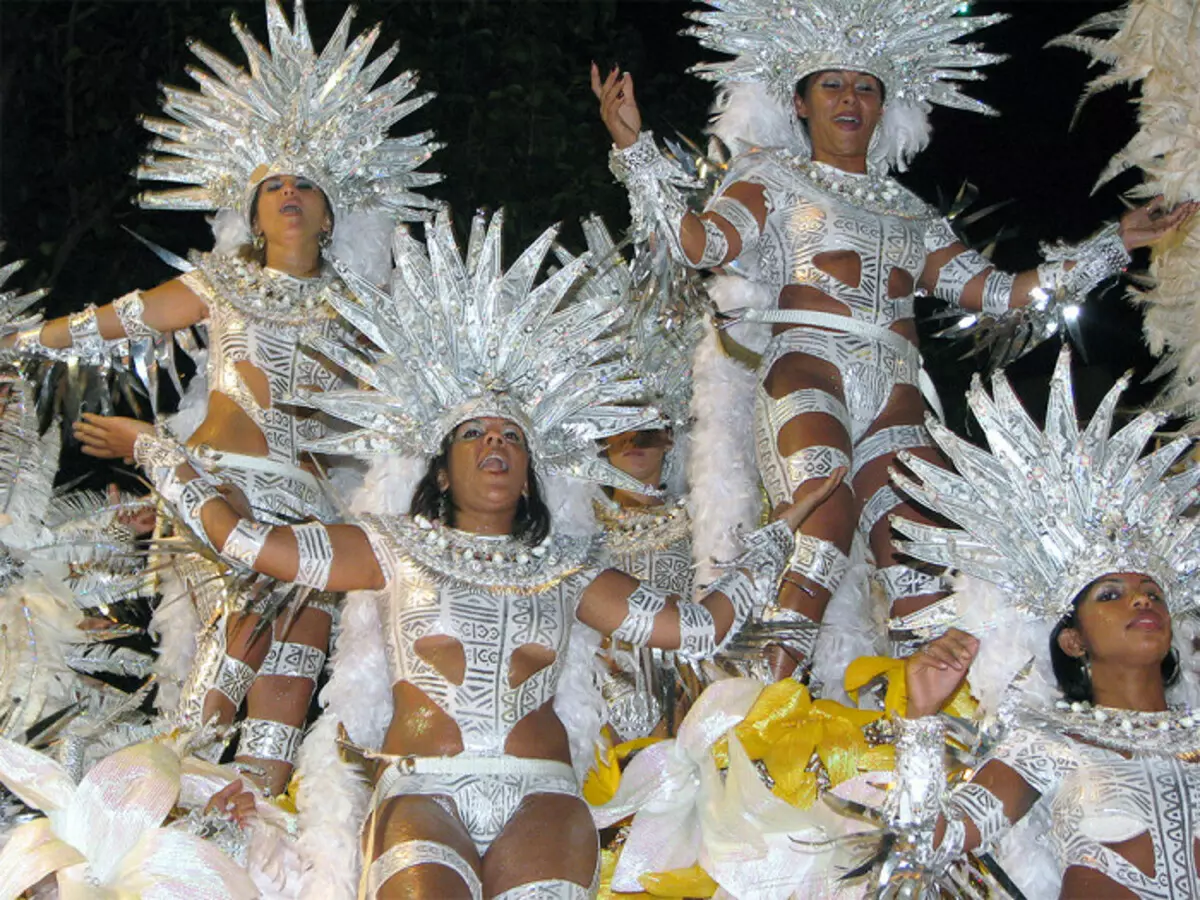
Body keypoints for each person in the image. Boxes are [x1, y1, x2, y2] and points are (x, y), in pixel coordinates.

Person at [120, 209, 842, 899]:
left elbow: (698, 627)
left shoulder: (570, 566)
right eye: (474, 433)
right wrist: (157, 451)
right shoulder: (387, 547)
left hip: (544, 797)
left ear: (530, 469)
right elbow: (246, 541)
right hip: (422, 789)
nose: (495, 443)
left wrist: (781, 530)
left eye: (511, 436)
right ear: (439, 468)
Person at [590, 0, 1198, 677]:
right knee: (820, 525)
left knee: (922, 565)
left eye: (866, 87)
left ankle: (930, 739)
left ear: (884, 106)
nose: (849, 99)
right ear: (800, 101)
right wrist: (633, 149)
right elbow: (695, 244)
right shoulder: (768, 179)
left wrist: (1115, 244)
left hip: (896, 387)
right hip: (809, 365)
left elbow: (1000, 293)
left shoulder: (913, 212)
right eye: (832, 84)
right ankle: (765, 715)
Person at [10, 0, 441, 798]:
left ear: (328, 209)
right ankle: (170, 789)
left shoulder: (369, 310)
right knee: (255, 611)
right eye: (272, 183)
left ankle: (249, 816)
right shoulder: (220, 283)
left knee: (300, 643)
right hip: (219, 486)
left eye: (304, 184)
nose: (288, 194)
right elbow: (114, 324)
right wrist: (17, 341)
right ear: (250, 209)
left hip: (310, 502)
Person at [876, 347, 1200, 898]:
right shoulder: (1048, 739)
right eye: (1112, 594)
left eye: (1152, 593)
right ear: (1072, 639)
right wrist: (922, 719)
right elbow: (925, 845)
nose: (1142, 603)